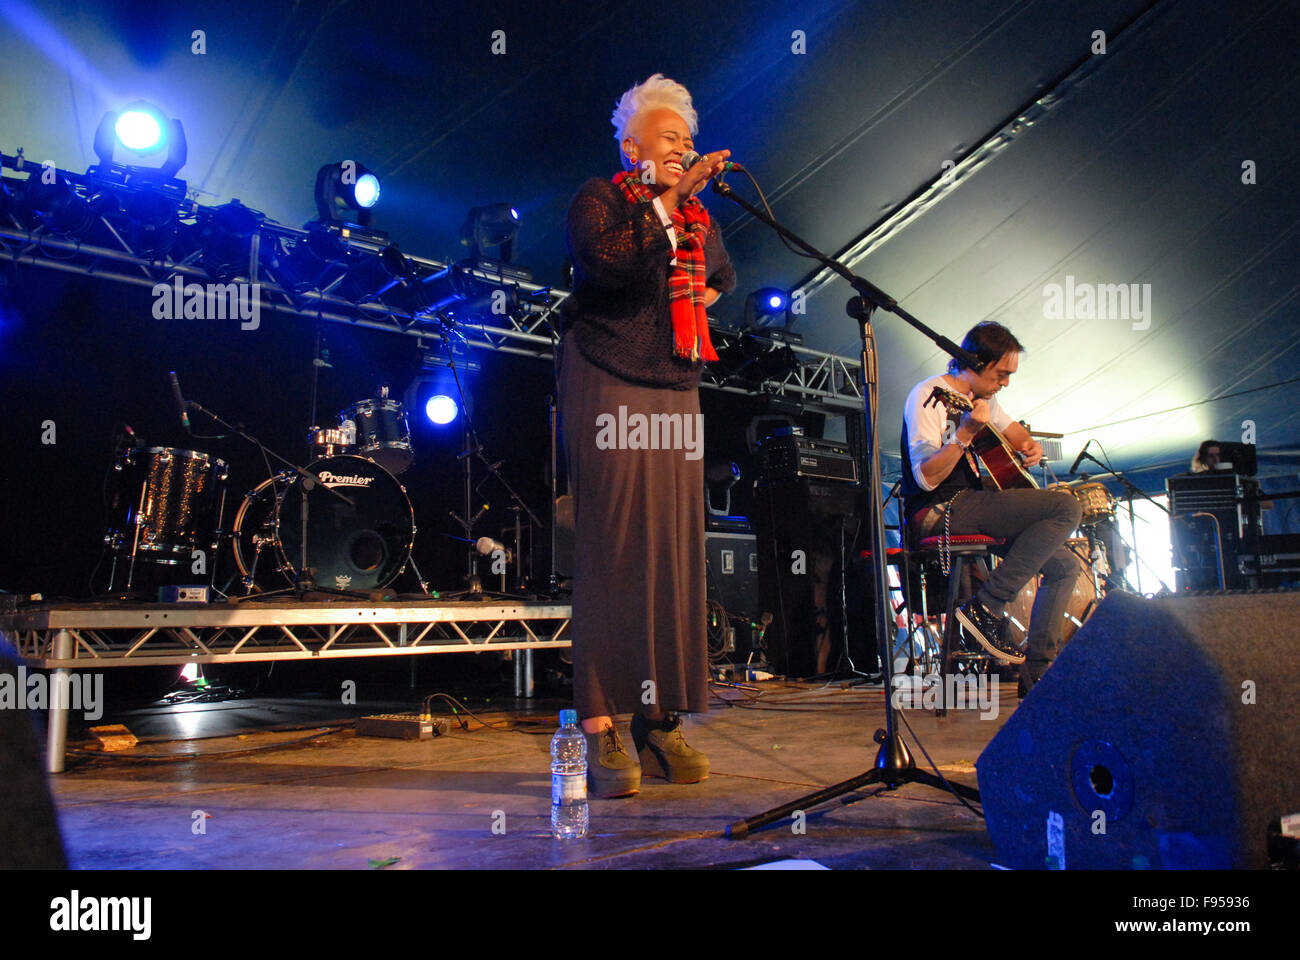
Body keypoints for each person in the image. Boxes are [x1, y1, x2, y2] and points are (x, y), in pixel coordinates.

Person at [557, 74, 736, 797]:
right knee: (614, 545)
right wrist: (664, 200)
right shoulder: (601, 199)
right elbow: (609, 263)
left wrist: (689, 302)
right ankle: (597, 725)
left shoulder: (696, 217)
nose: (683, 149)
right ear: (632, 145)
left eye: (688, 140)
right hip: (607, 374)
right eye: (670, 138)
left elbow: (723, 273)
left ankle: (659, 720)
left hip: (675, 383)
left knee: (671, 550)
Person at [899, 322, 1083, 691]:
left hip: (973, 502)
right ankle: (987, 605)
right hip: (941, 509)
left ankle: (1038, 672)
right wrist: (964, 434)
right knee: (1065, 508)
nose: (1006, 383)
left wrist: (1030, 447)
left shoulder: (985, 400)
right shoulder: (929, 395)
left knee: (1065, 565)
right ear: (974, 363)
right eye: (1001, 373)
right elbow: (925, 477)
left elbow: (1014, 432)